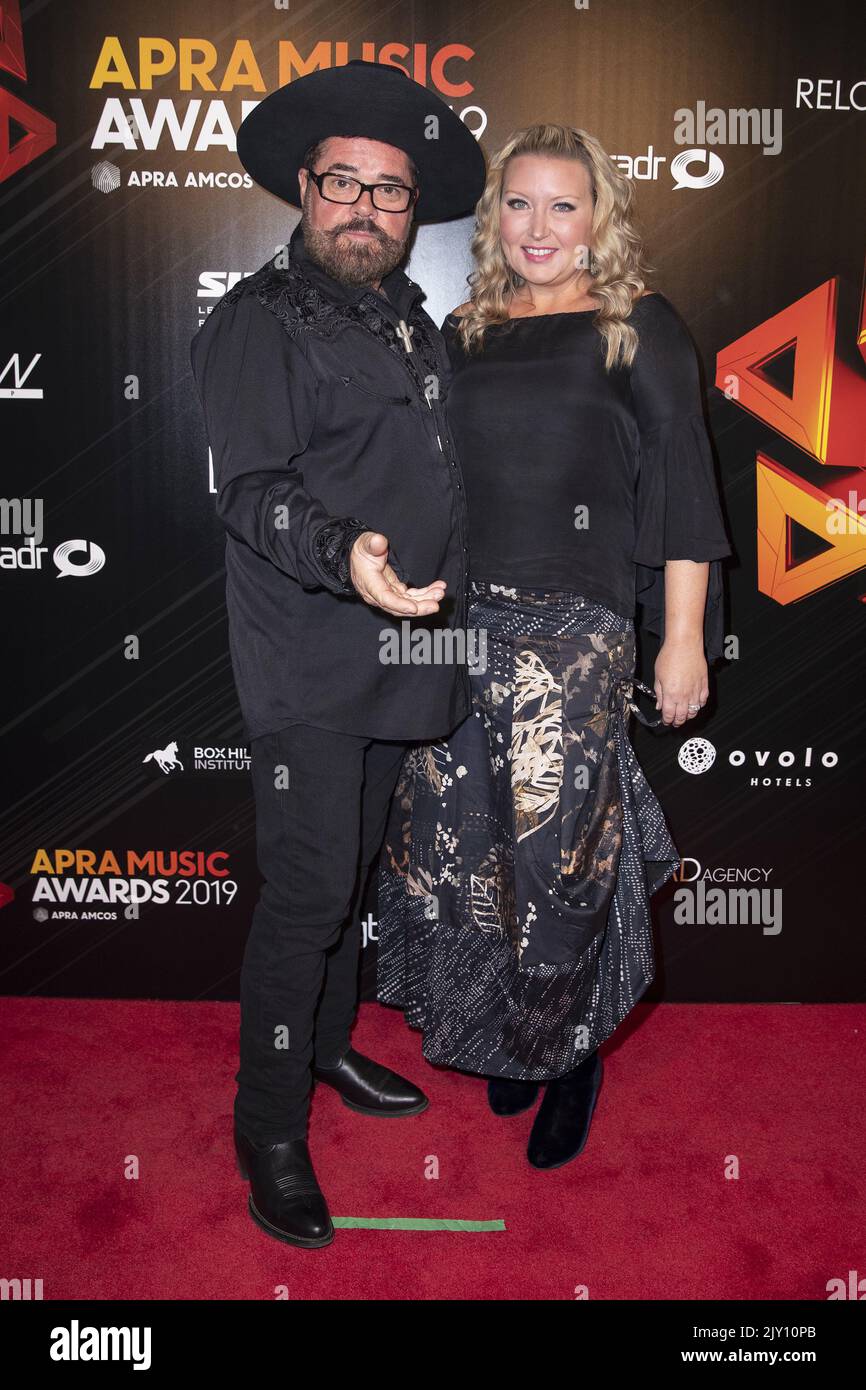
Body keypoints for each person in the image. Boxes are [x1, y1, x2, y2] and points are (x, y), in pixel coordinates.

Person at [376, 123, 734, 1171]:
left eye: (562, 205)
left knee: (559, 864)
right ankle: (508, 1032)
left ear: (596, 220)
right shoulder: (463, 326)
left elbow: (679, 489)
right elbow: (425, 481)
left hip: (574, 633)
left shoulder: (637, 327)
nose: (539, 227)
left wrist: (679, 641)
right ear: (495, 221)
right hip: (459, 629)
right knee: (471, 856)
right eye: (518, 205)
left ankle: (567, 1052)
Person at [189, 60, 485, 1248]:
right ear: (302, 192)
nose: (364, 208)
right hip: (308, 658)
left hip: (396, 659)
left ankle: (322, 1052)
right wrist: (340, 549)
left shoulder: (407, 318)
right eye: (341, 185)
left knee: (349, 875)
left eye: (389, 192)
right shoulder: (257, 321)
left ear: (411, 213)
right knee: (308, 894)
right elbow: (250, 490)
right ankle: (267, 1121)